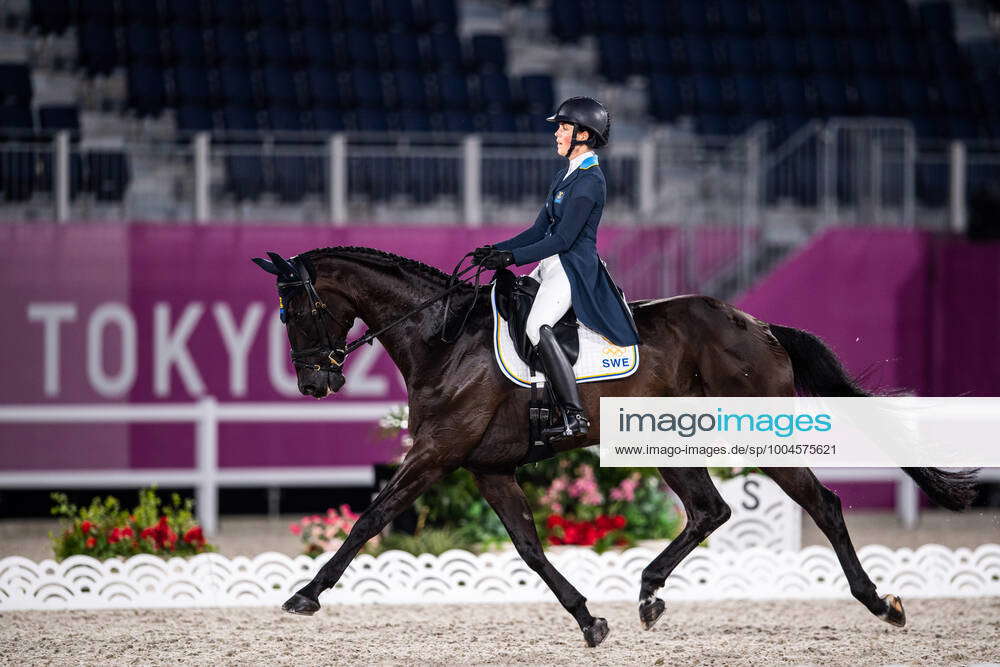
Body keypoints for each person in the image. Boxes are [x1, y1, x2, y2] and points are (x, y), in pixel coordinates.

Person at [472, 97, 641, 439]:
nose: (557, 134)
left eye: (564, 128)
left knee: (538, 325)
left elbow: (563, 239)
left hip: (574, 268)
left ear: (584, 135)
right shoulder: (565, 174)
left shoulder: (590, 182)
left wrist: (512, 259)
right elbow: (538, 232)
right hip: (552, 265)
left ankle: (574, 415)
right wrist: (497, 249)